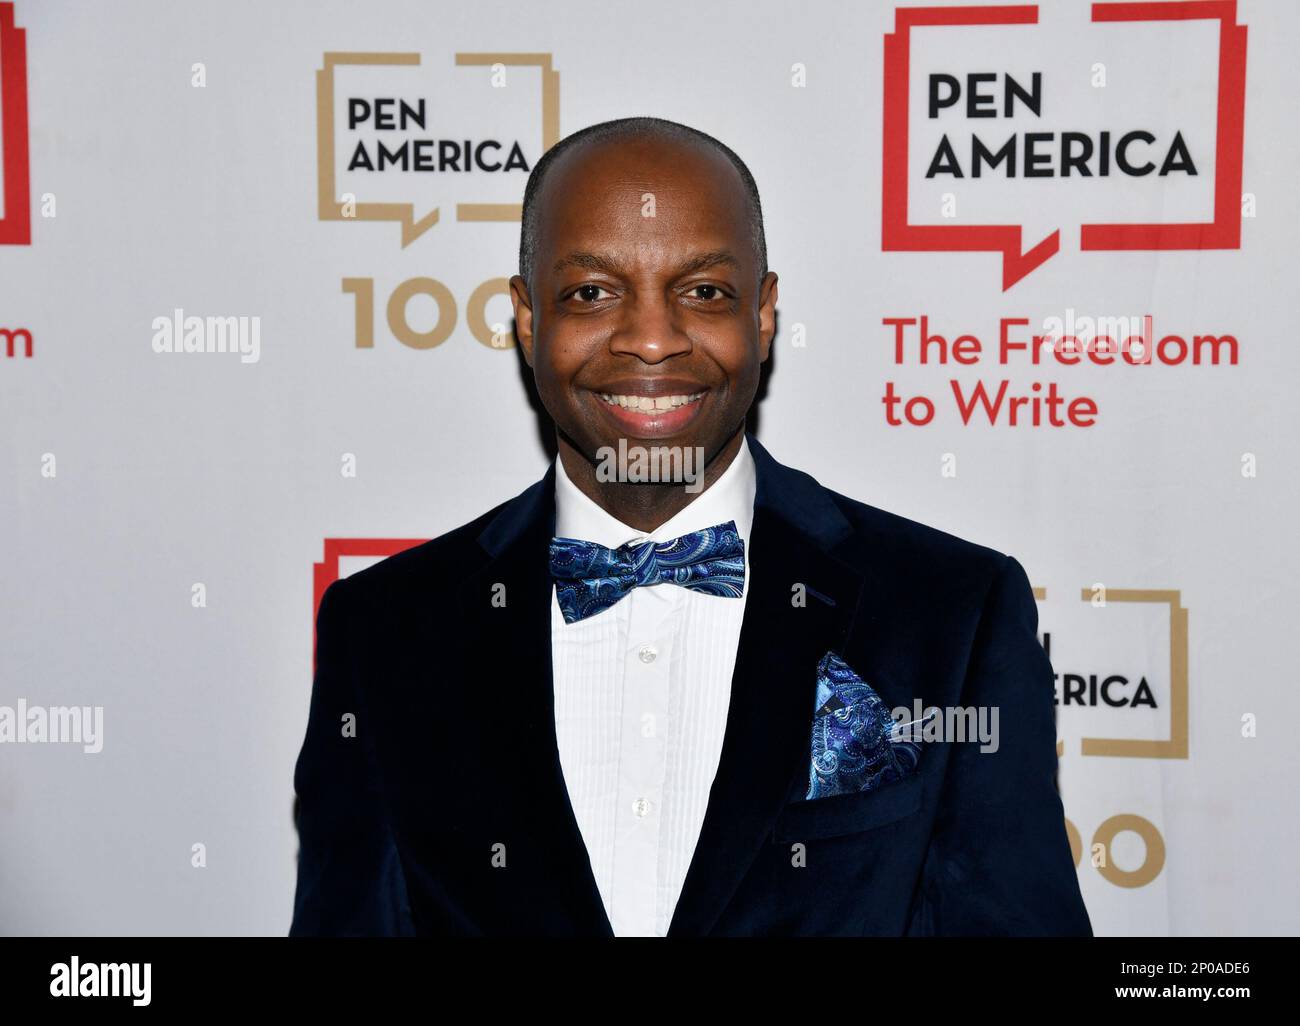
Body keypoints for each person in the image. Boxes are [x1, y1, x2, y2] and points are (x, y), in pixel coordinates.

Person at [289, 116, 1092, 937]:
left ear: (765, 313)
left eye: (703, 291)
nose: (648, 340)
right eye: (591, 293)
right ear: (528, 320)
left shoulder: (952, 614)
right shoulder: (387, 631)